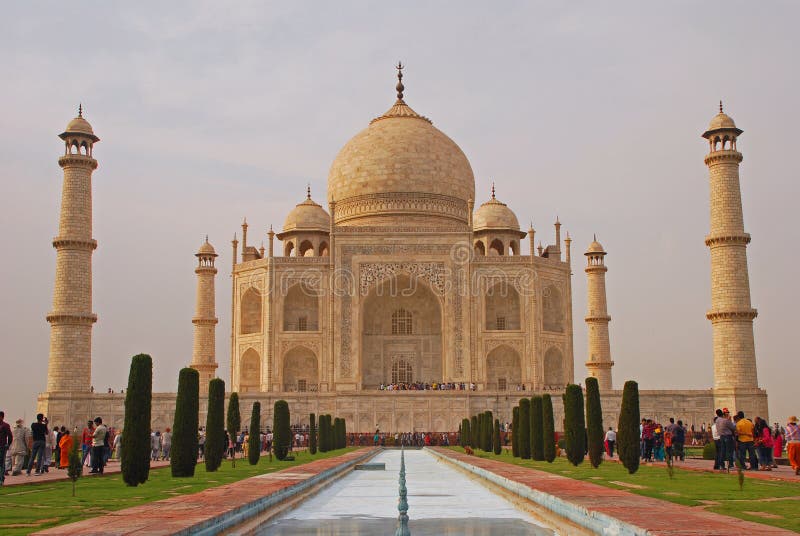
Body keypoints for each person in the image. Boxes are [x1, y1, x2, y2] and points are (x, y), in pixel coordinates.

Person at [0, 411, 11, 486]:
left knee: (1, 463)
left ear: (2, 417)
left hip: (2, 446)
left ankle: (1, 479)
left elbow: (10, 436)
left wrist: (8, 445)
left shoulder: (5, 425)